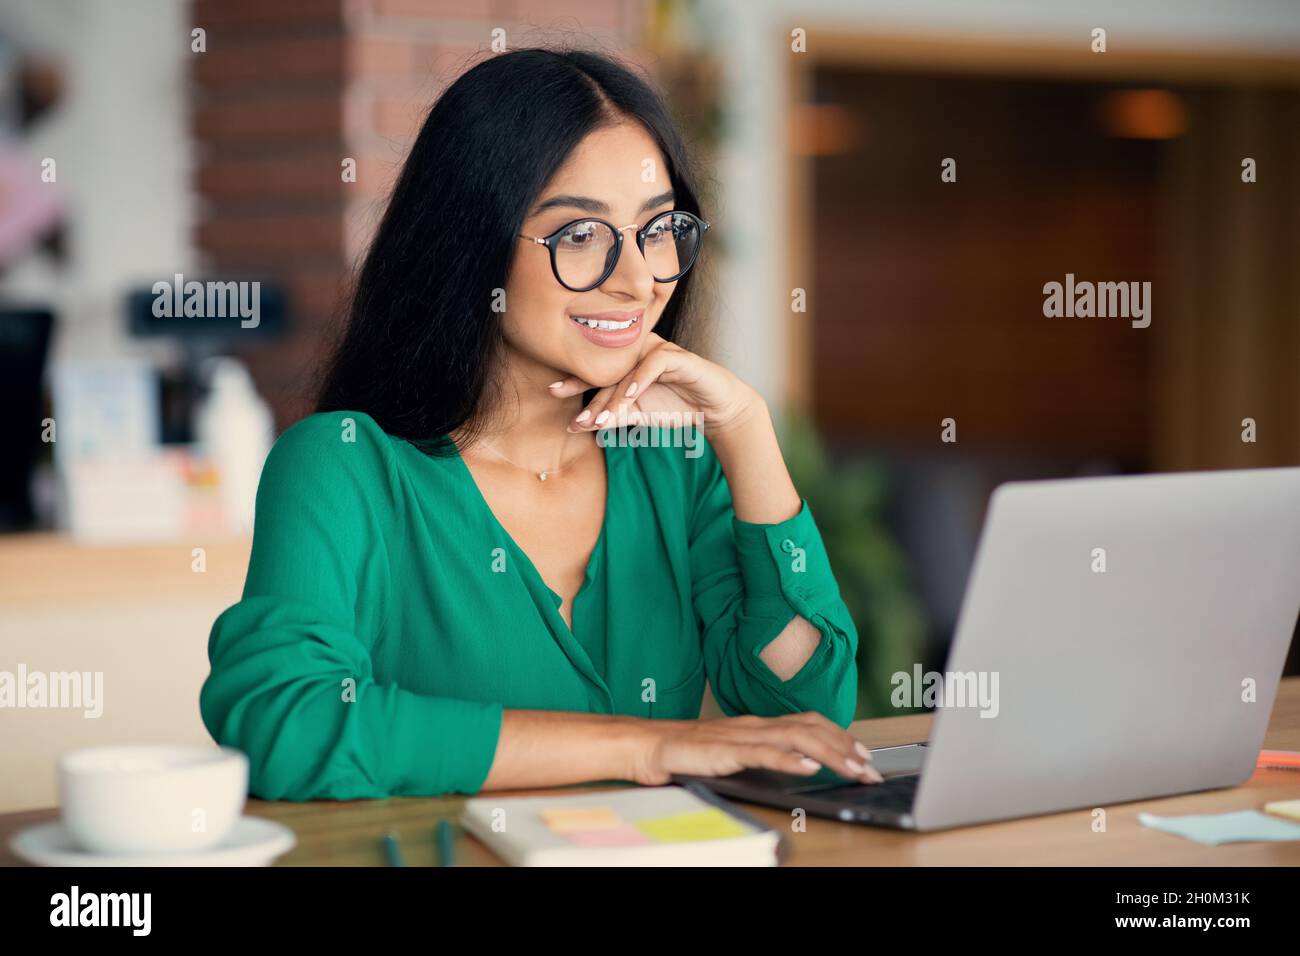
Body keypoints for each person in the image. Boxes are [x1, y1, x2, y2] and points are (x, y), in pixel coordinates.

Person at [199, 48, 880, 800]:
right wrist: (647, 746)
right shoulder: (345, 467)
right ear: (472, 244)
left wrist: (745, 429)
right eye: (580, 236)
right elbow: (283, 724)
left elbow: (805, 720)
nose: (638, 279)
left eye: (658, 231)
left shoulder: (677, 465)